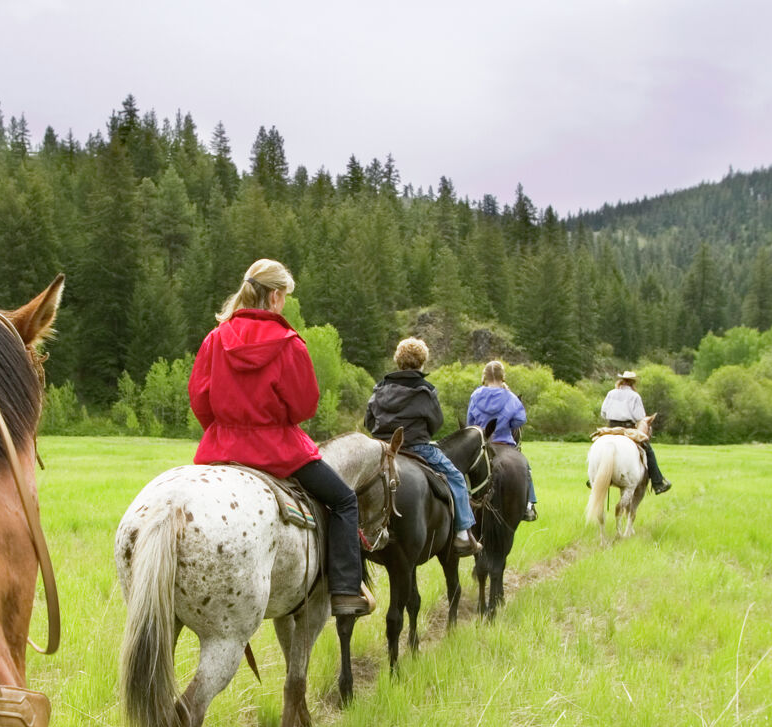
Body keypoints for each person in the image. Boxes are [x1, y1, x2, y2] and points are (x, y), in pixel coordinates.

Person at [188, 260, 373, 617]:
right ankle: (345, 590)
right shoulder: (290, 344)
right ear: (274, 296)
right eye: (285, 295)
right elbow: (304, 406)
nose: (284, 302)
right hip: (279, 451)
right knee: (344, 500)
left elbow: (199, 398)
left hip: (221, 448)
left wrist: (224, 429)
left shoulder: (215, 339)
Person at [365, 338, 482, 555]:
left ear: (398, 361)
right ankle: (463, 535)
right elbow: (436, 423)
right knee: (456, 478)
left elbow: (368, 422)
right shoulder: (425, 390)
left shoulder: (380, 388)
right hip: (417, 448)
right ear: (422, 362)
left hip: (381, 450)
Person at [465, 361, 538, 522]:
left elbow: (470, 422)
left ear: (485, 376)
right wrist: (507, 423)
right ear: (502, 376)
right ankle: (528, 505)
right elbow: (520, 420)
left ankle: (462, 502)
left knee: (464, 471)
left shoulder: (476, 395)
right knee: (525, 467)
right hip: (504, 442)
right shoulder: (510, 397)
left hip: (482, 445)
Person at [601, 369, 672, 494]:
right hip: (628, 429)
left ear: (621, 381)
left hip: (611, 428)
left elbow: (603, 413)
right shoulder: (635, 396)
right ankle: (658, 483)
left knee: (599, 445)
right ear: (633, 383)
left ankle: (593, 479)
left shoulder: (611, 393)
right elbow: (640, 417)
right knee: (648, 451)